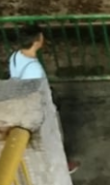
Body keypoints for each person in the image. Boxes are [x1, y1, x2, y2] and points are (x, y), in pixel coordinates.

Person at [9, 26, 79, 174]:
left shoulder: (15, 56)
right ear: (36, 41)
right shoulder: (34, 69)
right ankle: (61, 166)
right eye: (41, 37)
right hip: (40, 107)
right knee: (53, 135)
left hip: (22, 102)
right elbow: (37, 93)